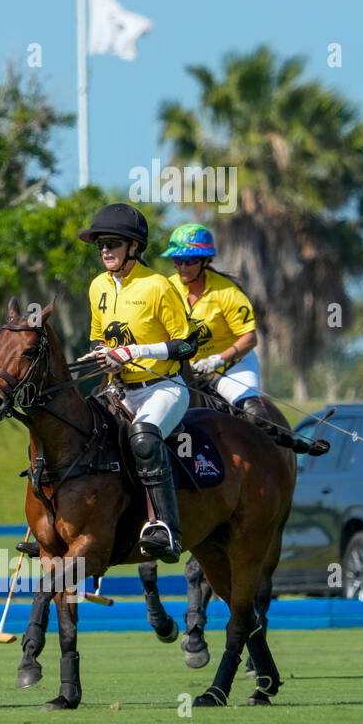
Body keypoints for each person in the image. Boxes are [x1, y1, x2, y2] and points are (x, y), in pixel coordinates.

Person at [79, 203, 196, 563]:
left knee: (143, 436)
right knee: (85, 434)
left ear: (133, 247)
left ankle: (167, 529)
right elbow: (99, 337)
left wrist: (133, 352)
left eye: (112, 243)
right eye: (100, 244)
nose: (104, 250)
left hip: (163, 387)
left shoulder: (158, 286)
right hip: (120, 389)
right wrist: (102, 354)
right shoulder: (98, 285)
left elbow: (187, 343)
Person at [162, 223, 264, 417]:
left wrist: (218, 359)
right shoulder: (166, 288)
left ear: (205, 261)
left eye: (190, 260)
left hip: (231, 367)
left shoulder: (227, 292)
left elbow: (250, 338)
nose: (183, 267)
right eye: (178, 259)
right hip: (186, 371)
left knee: (253, 413)